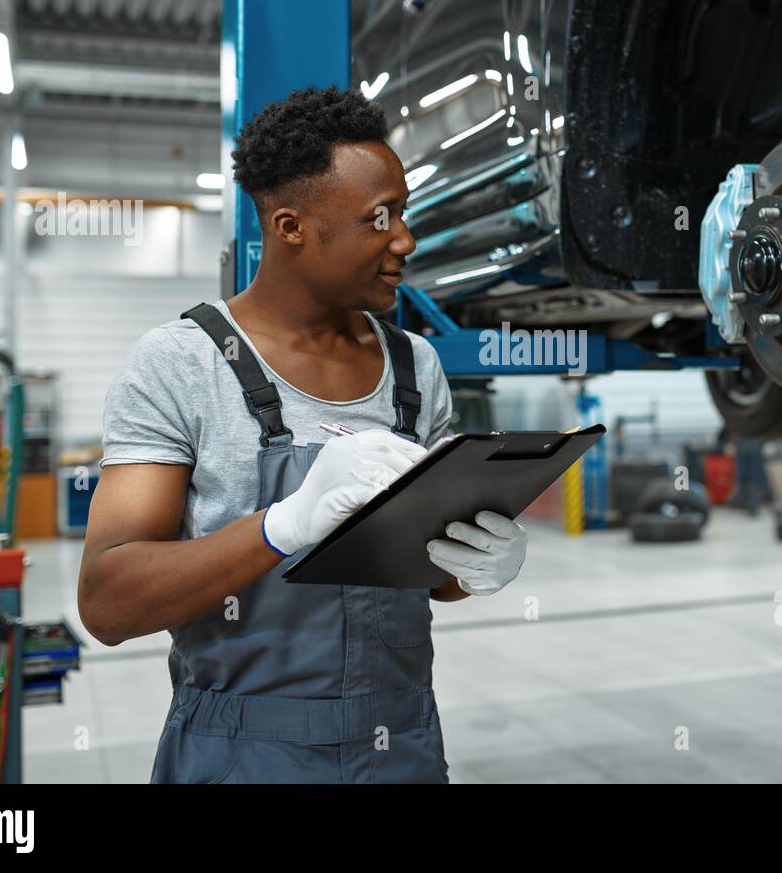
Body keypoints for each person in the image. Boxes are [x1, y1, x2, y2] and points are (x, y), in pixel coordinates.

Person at [78, 86, 528, 783]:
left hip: (399, 746)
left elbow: (426, 578)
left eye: (403, 212)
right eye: (380, 218)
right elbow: (107, 603)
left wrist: (473, 566)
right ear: (291, 227)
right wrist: (281, 526)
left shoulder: (416, 367)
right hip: (240, 756)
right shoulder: (181, 363)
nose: (405, 240)